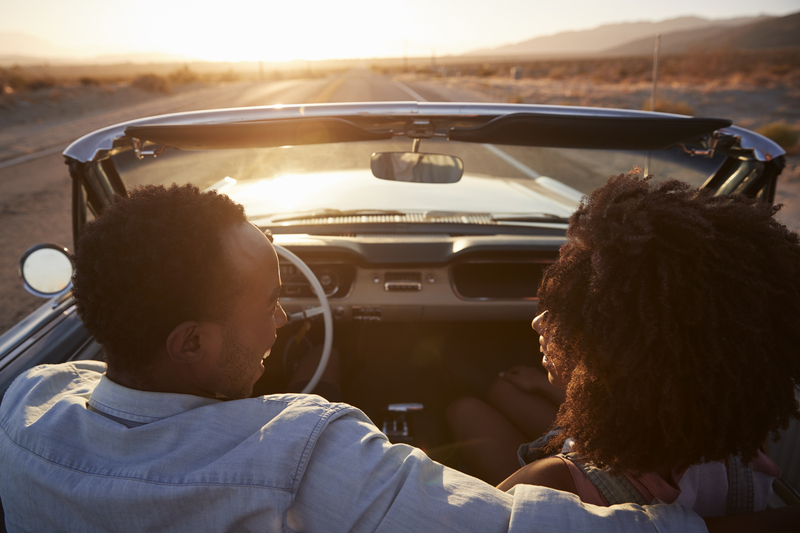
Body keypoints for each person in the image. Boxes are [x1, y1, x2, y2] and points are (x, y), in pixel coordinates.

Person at [0, 183, 787, 532]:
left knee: (474, 406)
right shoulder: (309, 457)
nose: (286, 315)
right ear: (192, 342)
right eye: (267, 299)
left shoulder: (24, 403)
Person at [459, 173, 800, 517]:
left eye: (564, 314)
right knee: (505, 390)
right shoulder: (744, 447)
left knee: (463, 409)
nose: (539, 322)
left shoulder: (548, 481)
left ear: (615, 354)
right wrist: (542, 385)